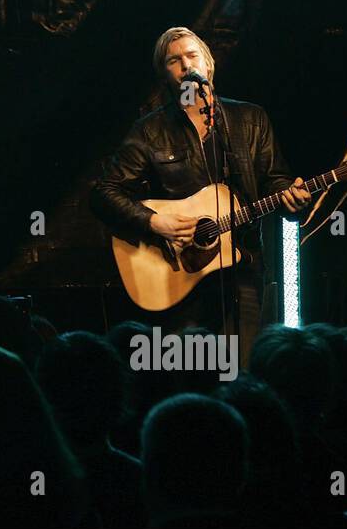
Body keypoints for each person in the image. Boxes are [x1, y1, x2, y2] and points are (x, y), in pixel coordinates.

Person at [90, 27, 311, 363]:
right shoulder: (149, 131)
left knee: (240, 368)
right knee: (189, 372)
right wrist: (154, 222)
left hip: (242, 267)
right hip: (178, 272)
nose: (185, 64)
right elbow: (104, 193)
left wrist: (291, 199)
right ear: (165, 75)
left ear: (208, 64)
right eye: (174, 60)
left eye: (192, 56)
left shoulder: (251, 120)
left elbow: (274, 182)